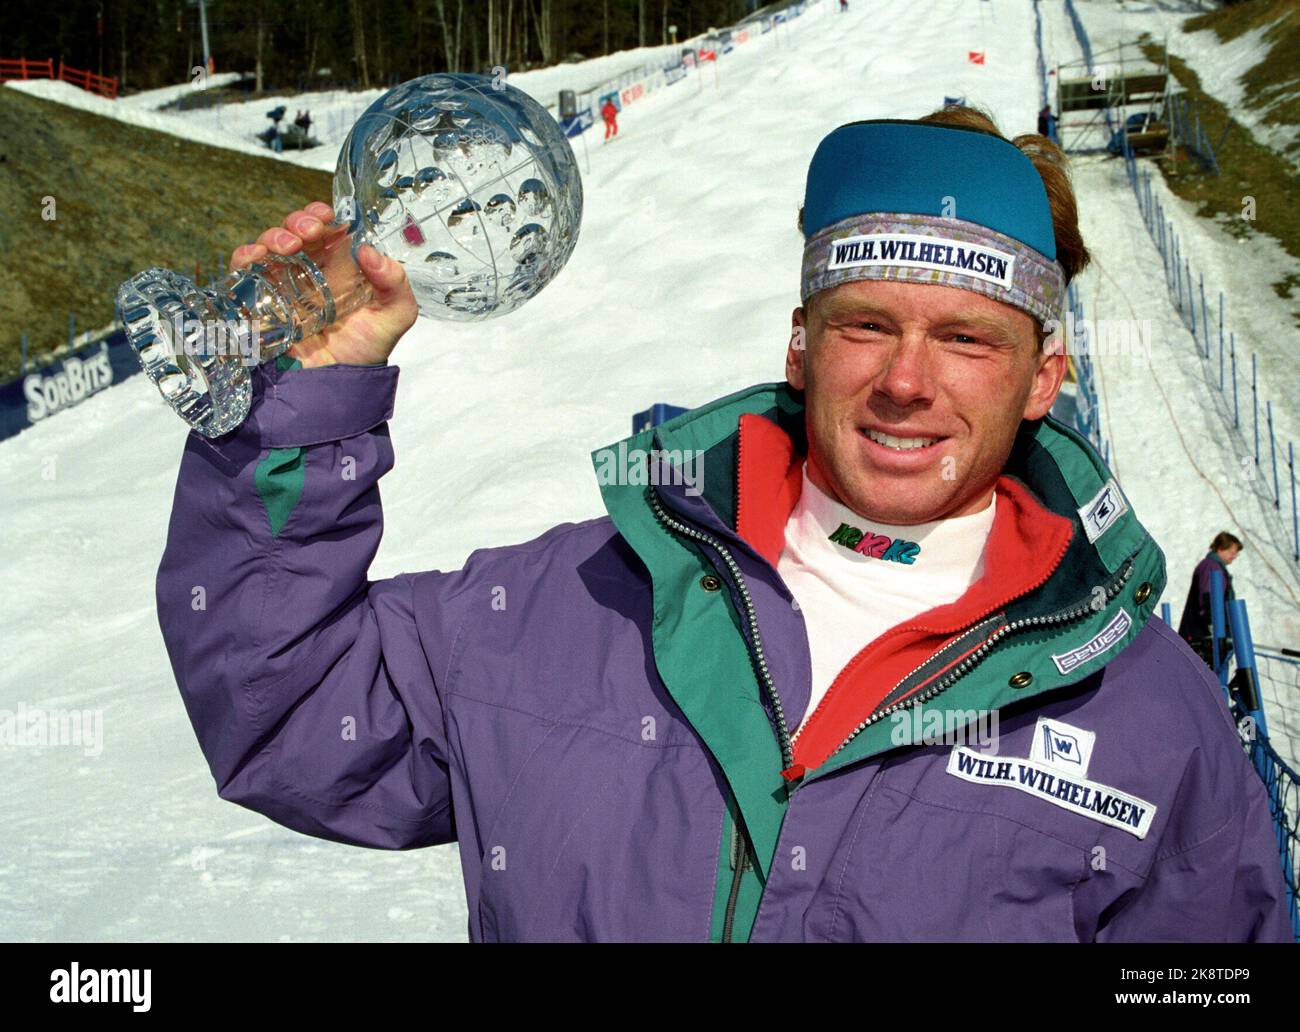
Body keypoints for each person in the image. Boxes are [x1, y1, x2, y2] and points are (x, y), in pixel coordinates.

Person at [155, 106, 1291, 942]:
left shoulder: (1150, 720)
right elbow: (292, 719)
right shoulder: (570, 605)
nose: (906, 382)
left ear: (1042, 379)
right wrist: (297, 410)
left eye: (966, 340)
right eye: (865, 326)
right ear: (799, 345)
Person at [1177, 531, 1243, 666]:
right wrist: (1211, 624)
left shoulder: (1214, 566)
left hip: (1207, 633)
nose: (1235, 556)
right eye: (1232, 551)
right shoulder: (1210, 566)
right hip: (1203, 634)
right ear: (1220, 548)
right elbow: (1207, 597)